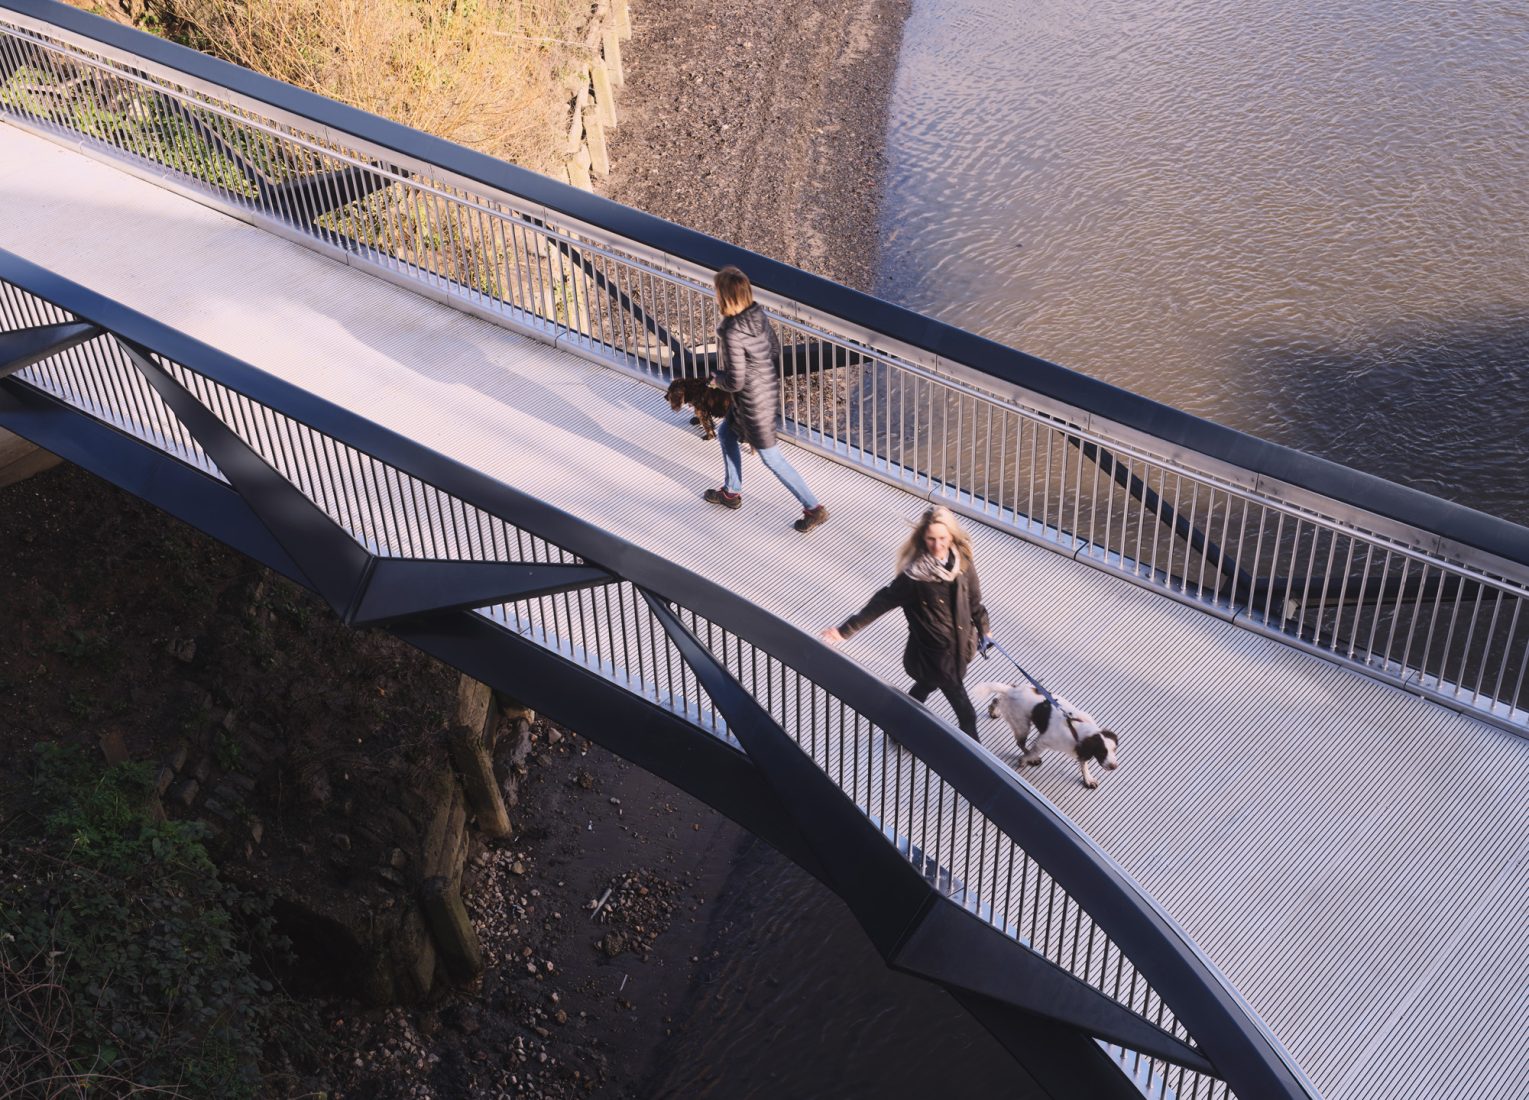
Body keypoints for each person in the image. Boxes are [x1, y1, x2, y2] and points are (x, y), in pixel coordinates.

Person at [820, 506, 991, 740]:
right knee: (967, 715)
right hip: (935, 655)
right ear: (922, 538)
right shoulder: (913, 577)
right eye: (931, 539)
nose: (937, 545)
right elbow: (880, 603)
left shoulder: (963, 564)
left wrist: (984, 630)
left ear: (951, 536)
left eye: (942, 538)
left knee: (925, 686)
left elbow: (974, 602)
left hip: (960, 646)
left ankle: (898, 731)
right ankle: (978, 765)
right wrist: (843, 631)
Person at [702, 265, 829, 533]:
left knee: (772, 458)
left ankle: (813, 508)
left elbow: (734, 380)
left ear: (726, 297)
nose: (714, 296)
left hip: (752, 404)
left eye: (717, 292)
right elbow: (773, 350)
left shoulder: (731, 332)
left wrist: (716, 380)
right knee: (725, 434)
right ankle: (731, 492)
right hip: (763, 391)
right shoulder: (757, 314)